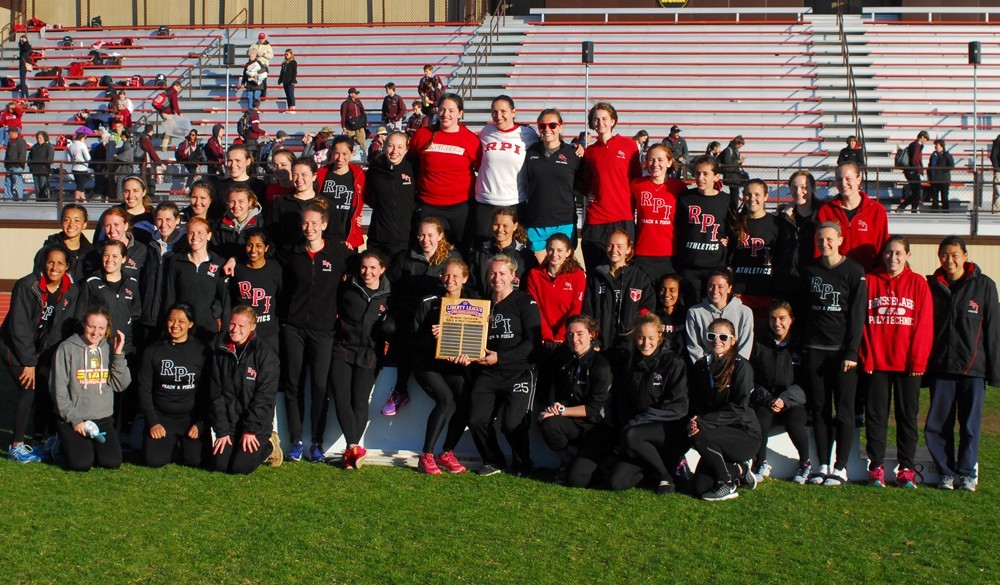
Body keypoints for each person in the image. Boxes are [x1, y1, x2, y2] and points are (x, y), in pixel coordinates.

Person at [924, 236, 999, 491]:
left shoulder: (985, 286)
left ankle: (967, 473)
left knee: (969, 425)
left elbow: (993, 331)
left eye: (955, 254)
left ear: (966, 256)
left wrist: (994, 372)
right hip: (941, 368)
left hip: (972, 369)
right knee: (937, 424)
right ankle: (946, 473)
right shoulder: (931, 285)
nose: (949, 260)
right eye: (944, 255)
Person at [858, 236, 933, 489]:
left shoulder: (918, 283)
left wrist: (918, 361)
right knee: (876, 416)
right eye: (889, 252)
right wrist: (866, 356)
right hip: (876, 363)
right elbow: (863, 323)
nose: (893, 257)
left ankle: (907, 469)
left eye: (899, 253)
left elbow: (924, 325)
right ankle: (876, 467)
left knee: (907, 417)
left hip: (908, 365)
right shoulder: (870, 281)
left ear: (908, 255)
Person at [280, 201, 349, 462]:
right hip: (293, 328)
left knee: (320, 386)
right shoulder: (292, 253)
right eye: (305, 223)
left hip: (324, 331)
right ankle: (296, 440)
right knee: (293, 385)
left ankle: (317, 442)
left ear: (324, 224)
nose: (309, 228)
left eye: (314, 223)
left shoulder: (339, 254)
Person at [462, 254, 541, 476]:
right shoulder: (482, 306)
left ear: (513, 276)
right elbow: (471, 339)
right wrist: (464, 353)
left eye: (502, 273)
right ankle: (493, 460)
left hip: (519, 372)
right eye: (493, 273)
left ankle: (523, 463)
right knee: (476, 420)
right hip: (488, 372)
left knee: (511, 423)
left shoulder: (525, 302)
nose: (497, 278)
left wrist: (502, 357)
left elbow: (533, 343)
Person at [1, 246, 80, 463]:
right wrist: (29, 362)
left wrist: (46, 360)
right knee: (30, 389)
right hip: (14, 345)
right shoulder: (28, 285)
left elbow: (58, 330)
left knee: (46, 385)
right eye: (50, 262)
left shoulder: (71, 291)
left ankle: (38, 439)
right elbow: (19, 327)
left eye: (60, 264)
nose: (54, 267)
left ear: (67, 267)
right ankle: (16, 447)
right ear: (44, 263)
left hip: (40, 348)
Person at [803, 222, 866, 486]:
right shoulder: (809, 270)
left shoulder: (854, 271)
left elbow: (857, 315)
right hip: (814, 351)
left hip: (842, 354)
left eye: (829, 239)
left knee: (843, 411)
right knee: (819, 409)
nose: (824, 244)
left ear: (840, 240)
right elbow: (804, 309)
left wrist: (851, 351)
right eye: (820, 239)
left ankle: (841, 466)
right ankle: (823, 464)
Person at [381, 217, 464, 416]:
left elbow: (461, 286)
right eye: (421, 235)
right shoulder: (406, 257)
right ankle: (400, 390)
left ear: (440, 236)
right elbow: (388, 283)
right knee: (392, 328)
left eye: (430, 235)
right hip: (407, 313)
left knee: (419, 336)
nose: (425, 239)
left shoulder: (452, 258)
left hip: (437, 315)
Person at [607, 313, 688, 494]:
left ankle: (666, 476)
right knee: (617, 482)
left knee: (633, 435)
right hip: (636, 431)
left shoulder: (673, 362)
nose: (645, 343)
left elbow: (678, 407)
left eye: (651, 338)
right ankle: (652, 465)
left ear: (659, 336)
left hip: (667, 428)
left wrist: (638, 423)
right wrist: (628, 429)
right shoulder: (630, 363)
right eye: (641, 337)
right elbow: (623, 403)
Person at [411, 258, 475, 475]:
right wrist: (432, 337)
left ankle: (446, 453)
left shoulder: (472, 305)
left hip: (452, 364)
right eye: (447, 275)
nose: (450, 280)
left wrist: (470, 356)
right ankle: (426, 455)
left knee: (466, 401)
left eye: (456, 276)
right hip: (426, 363)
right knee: (445, 399)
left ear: (464, 278)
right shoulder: (428, 301)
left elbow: (477, 339)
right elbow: (413, 342)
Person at [686, 318, 761, 501]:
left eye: (723, 337)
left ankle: (727, 483)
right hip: (716, 433)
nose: (717, 340)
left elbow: (738, 408)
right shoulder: (701, 366)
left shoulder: (742, 367)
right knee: (700, 487)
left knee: (700, 436)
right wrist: (693, 420)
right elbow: (697, 401)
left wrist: (703, 423)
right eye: (712, 336)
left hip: (744, 433)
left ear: (733, 340)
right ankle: (741, 471)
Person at [332, 250, 392, 469]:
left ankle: (351, 452)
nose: (368, 272)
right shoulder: (347, 287)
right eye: (364, 267)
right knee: (341, 398)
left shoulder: (389, 294)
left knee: (359, 400)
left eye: (373, 268)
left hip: (370, 353)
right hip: (342, 349)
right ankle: (354, 447)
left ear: (382, 269)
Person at [538, 315, 614, 486]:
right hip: (574, 424)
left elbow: (593, 409)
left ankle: (602, 463)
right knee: (547, 422)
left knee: (577, 480)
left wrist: (562, 411)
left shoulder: (601, 366)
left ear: (591, 335)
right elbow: (564, 397)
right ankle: (567, 461)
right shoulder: (566, 360)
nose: (574, 339)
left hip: (597, 429)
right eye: (570, 334)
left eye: (580, 334)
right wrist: (555, 409)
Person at [51, 308, 130, 471]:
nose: (95, 332)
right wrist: (75, 420)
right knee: (81, 464)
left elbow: (120, 385)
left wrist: (118, 354)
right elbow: (58, 390)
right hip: (75, 419)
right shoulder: (66, 348)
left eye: (101, 328)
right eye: (91, 326)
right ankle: (60, 442)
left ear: (107, 329)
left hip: (102, 417)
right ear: (83, 325)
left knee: (111, 462)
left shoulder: (108, 349)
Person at [210, 305, 281, 474]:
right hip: (231, 423)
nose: (235, 330)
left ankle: (270, 444)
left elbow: (264, 397)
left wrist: (250, 430)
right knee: (220, 465)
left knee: (239, 468)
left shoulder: (265, 354)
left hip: (256, 425)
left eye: (241, 326)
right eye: (232, 324)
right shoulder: (221, 350)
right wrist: (222, 429)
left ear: (252, 327)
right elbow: (216, 393)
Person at [138, 303, 209, 468]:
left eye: (181, 321)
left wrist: (200, 423)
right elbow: (144, 389)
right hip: (162, 418)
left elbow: (208, 391)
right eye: (171, 320)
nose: (175, 325)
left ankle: (181, 446)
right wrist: (153, 422)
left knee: (196, 461)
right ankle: (172, 445)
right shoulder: (153, 351)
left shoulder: (202, 351)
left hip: (190, 418)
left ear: (190, 324)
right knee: (153, 461)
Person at [408, 93, 482, 246]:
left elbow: (481, 169)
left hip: (461, 207)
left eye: (451, 110)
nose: (445, 114)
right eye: (442, 110)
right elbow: (410, 164)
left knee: (462, 251)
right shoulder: (422, 135)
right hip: (428, 205)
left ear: (460, 113)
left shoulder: (471, 140)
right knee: (427, 251)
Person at [749, 300, 811, 483]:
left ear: (791, 320)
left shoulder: (800, 346)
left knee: (795, 424)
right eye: (773, 319)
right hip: (766, 400)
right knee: (760, 422)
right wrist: (767, 399)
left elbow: (806, 382)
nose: (777, 323)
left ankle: (805, 463)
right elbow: (752, 378)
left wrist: (785, 399)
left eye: (782, 318)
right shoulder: (759, 345)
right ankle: (760, 462)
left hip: (792, 401)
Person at [580, 102, 642, 271]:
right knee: (596, 270)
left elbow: (636, 179)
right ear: (592, 123)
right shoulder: (590, 152)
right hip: (597, 217)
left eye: (604, 118)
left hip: (622, 215)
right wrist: (588, 192)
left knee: (623, 270)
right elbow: (584, 181)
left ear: (613, 121)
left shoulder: (629, 146)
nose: (600, 122)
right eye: (596, 119)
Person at [472, 95, 539, 242]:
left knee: (512, 251)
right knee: (482, 250)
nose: (498, 116)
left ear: (513, 112)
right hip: (485, 202)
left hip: (513, 202)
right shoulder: (486, 131)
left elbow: (549, 147)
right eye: (494, 112)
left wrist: (577, 147)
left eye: (503, 111)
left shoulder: (528, 135)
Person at [582, 230, 654, 366]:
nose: (614, 250)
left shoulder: (640, 278)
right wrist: (593, 340)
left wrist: (636, 341)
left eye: (619, 246)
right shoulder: (596, 276)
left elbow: (647, 313)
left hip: (629, 349)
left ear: (628, 249)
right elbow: (587, 312)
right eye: (610, 245)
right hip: (600, 346)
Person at [674, 154, 739, 305]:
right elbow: (678, 228)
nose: (700, 178)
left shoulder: (726, 201)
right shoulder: (685, 198)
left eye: (705, 174)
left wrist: (728, 244)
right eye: (697, 173)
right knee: (691, 308)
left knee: (714, 308)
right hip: (689, 266)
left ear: (716, 176)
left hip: (715, 266)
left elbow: (733, 231)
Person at [523, 108, 583, 262]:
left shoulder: (573, 154)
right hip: (536, 222)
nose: (547, 129)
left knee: (561, 270)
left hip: (563, 221)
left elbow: (583, 186)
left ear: (561, 127)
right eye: (542, 126)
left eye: (552, 125)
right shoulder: (530, 153)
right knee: (539, 270)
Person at [730, 179, 793, 319]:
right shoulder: (736, 222)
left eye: (757, 194)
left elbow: (783, 258)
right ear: (743, 195)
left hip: (765, 291)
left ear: (766, 196)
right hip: (740, 292)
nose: (752, 198)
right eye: (748, 194)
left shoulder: (776, 224)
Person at [162, 217, 228, 344]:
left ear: (208, 235)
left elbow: (225, 300)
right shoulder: (175, 262)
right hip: (182, 328)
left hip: (208, 330)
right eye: (191, 233)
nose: (194, 237)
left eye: (200, 233)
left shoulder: (218, 263)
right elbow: (169, 297)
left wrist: (223, 329)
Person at [817, 161, 889, 272]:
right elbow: (819, 248)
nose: (843, 183)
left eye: (848, 179)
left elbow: (882, 247)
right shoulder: (826, 211)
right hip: (835, 278)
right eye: (839, 179)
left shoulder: (876, 211)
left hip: (867, 277)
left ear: (858, 180)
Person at [631, 144, 684, 282]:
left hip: (670, 255)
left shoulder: (678, 187)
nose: (655, 164)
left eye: (660, 160)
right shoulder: (637, 185)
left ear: (669, 162)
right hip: (642, 253)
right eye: (651, 159)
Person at [228, 229, 282, 353]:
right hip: (243, 333)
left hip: (268, 331)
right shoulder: (237, 269)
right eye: (249, 245)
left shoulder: (275, 268)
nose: (253, 250)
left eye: (259, 246)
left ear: (266, 247)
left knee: (269, 369)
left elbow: (281, 296)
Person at [140, 201, 186, 339]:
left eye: (168, 219)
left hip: (170, 317)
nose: (163, 224)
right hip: (147, 314)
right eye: (159, 219)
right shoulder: (149, 244)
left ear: (177, 219)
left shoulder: (183, 247)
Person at [365, 131, 416, 258]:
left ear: (406, 149)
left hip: (406, 238)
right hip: (379, 239)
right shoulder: (375, 168)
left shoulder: (414, 168)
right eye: (391, 146)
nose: (394, 151)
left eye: (400, 147)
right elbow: (367, 195)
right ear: (384, 146)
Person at [685, 269, 754, 362]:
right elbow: (694, 346)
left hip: (734, 368)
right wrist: (705, 367)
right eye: (711, 286)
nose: (715, 290)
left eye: (720, 286)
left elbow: (745, 346)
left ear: (729, 288)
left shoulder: (745, 312)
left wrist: (733, 367)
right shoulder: (695, 312)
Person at [467, 206, 536, 297]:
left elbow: (531, 289)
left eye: (505, 226)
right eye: (496, 225)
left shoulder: (525, 256)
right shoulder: (479, 253)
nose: (500, 230)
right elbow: (470, 286)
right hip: (484, 307)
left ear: (515, 226)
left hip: (514, 308)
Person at [316, 134, 366, 250]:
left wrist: (358, 216)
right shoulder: (321, 174)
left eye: (345, 154)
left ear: (352, 153)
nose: (340, 158)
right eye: (337, 153)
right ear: (331, 152)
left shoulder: (359, 176)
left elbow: (367, 197)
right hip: (324, 234)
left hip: (347, 236)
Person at [267, 156, 318, 257]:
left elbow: (333, 237)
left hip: (316, 260)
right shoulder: (279, 203)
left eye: (304, 175)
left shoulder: (325, 204)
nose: (299, 179)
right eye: (295, 175)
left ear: (314, 176)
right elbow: (271, 233)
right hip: (286, 260)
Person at [34, 204, 93, 285]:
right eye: (67, 220)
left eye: (77, 220)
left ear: (85, 224)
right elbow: (37, 278)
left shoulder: (91, 253)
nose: (71, 224)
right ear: (61, 222)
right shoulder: (48, 250)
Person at [212, 186, 264, 261]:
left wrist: (235, 259)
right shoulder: (219, 225)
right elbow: (216, 251)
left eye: (241, 201)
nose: (236, 206)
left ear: (249, 202)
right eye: (232, 202)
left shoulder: (260, 223)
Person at [215, 145, 267, 216]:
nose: (233, 165)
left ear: (248, 161)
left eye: (237, 160)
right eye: (230, 161)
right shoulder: (219, 186)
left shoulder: (259, 185)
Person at [655, 274, 687, 355]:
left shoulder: (687, 315)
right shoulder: (653, 315)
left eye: (672, 290)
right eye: (663, 289)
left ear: (679, 293)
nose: (666, 294)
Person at [898, 130, 929, 212]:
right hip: (913, 172)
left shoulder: (913, 145)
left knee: (916, 192)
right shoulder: (916, 145)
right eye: (926, 139)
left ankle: (910, 208)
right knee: (917, 192)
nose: (926, 141)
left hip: (910, 171)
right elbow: (915, 159)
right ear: (922, 137)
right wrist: (919, 169)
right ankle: (906, 207)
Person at [926, 139, 955, 211]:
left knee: (944, 197)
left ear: (942, 146)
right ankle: (934, 211)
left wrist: (941, 169)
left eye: (937, 145)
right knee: (934, 197)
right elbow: (929, 166)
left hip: (943, 180)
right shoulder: (933, 155)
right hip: (934, 180)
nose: (935, 146)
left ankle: (945, 212)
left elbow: (951, 166)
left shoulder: (947, 155)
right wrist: (929, 176)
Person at [28, 131, 54, 201]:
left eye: (40, 138)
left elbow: (50, 158)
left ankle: (45, 199)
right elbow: (30, 157)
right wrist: (30, 165)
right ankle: (38, 199)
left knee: (43, 185)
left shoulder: (49, 146)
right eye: (38, 138)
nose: (39, 139)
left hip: (44, 170)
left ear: (44, 138)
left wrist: (45, 164)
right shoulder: (34, 147)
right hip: (35, 169)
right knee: (37, 186)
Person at [67, 132, 93, 202]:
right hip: (82, 168)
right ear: (82, 138)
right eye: (85, 138)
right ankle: (76, 200)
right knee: (80, 186)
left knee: (80, 185)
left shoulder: (70, 146)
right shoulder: (82, 145)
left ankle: (84, 200)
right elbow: (88, 158)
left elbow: (69, 159)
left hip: (74, 168)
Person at [158, 81, 183, 151]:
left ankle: (163, 136)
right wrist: (179, 113)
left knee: (171, 126)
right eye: (179, 88)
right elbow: (175, 104)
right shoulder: (174, 93)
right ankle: (164, 146)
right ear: (175, 86)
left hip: (162, 111)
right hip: (166, 112)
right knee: (169, 129)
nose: (179, 90)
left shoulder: (168, 90)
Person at [5, 126, 28, 201]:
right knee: (8, 182)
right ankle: (8, 198)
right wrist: (6, 164)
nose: (9, 134)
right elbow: (7, 154)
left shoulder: (21, 141)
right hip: (9, 165)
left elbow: (22, 154)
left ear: (14, 133)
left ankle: (20, 198)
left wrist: (19, 164)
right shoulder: (9, 142)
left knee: (18, 182)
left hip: (16, 166)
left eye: (9, 132)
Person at [249, 33, 275, 100]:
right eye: (260, 38)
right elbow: (249, 53)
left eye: (262, 38)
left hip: (263, 65)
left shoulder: (268, 46)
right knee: (255, 80)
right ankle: (256, 95)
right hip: (255, 65)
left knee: (263, 81)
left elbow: (271, 55)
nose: (261, 40)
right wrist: (254, 54)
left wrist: (263, 54)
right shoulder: (254, 45)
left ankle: (263, 95)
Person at [17, 35, 31, 99]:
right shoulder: (22, 47)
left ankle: (23, 96)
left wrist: (25, 41)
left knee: (22, 81)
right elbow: (22, 56)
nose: (22, 41)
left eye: (23, 40)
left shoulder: (27, 46)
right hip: (21, 64)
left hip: (24, 65)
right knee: (22, 81)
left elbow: (27, 48)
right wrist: (17, 57)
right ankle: (27, 96)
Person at [991, 133, 1000, 211]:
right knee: (998, 192)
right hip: (999, 171)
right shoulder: (998, 141)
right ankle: (997, 212)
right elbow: (993, 156)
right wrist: (997, 168)